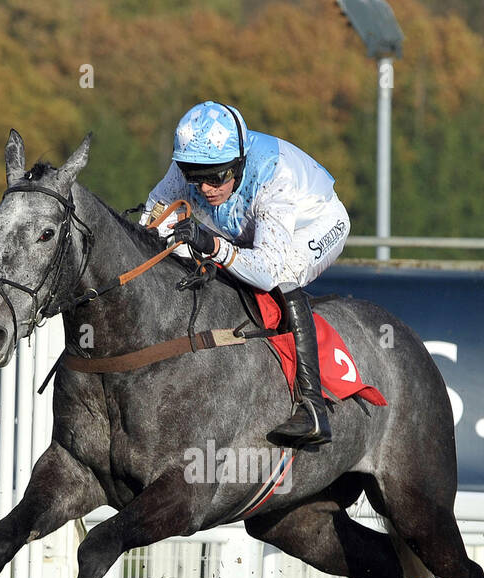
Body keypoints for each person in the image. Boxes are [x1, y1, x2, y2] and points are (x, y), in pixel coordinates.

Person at [139, 101, 350, 447]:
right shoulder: (188, 166)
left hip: (316, 223)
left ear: (238, 163)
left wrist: (212, 247)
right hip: (251, 223)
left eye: (216, 176)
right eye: (195, 176)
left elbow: (266, 271)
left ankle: (312, 407)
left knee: (283, 278)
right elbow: (151, 224)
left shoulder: (273, 179)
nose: (205, 188)